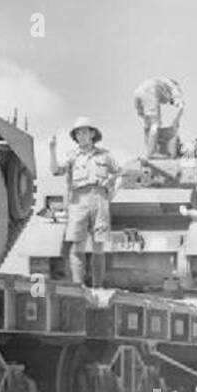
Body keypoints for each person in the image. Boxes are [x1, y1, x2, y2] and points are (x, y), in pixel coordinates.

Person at [49, 117, 119, 288]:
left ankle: (97, 286)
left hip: (100, 198)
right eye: (78, 133)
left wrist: (111, 191)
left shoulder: (105, 155)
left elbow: (118, 174)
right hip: (78, 199)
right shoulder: (72, 156)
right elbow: (56, 170)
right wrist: (52, 149)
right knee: (77, 243)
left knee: (98, 244)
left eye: (85, 132)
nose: (81, 135)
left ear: (92, 134)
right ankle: (78, 286)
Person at [132, 77, 184, 157]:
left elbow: (166, 100)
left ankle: (149, 150)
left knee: (147, 124)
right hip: (149, 92)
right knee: (155, 124)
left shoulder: (161, 83)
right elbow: (175, 101)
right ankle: (152, 152)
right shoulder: (173, 86)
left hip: (137, 93)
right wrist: (179, 112)